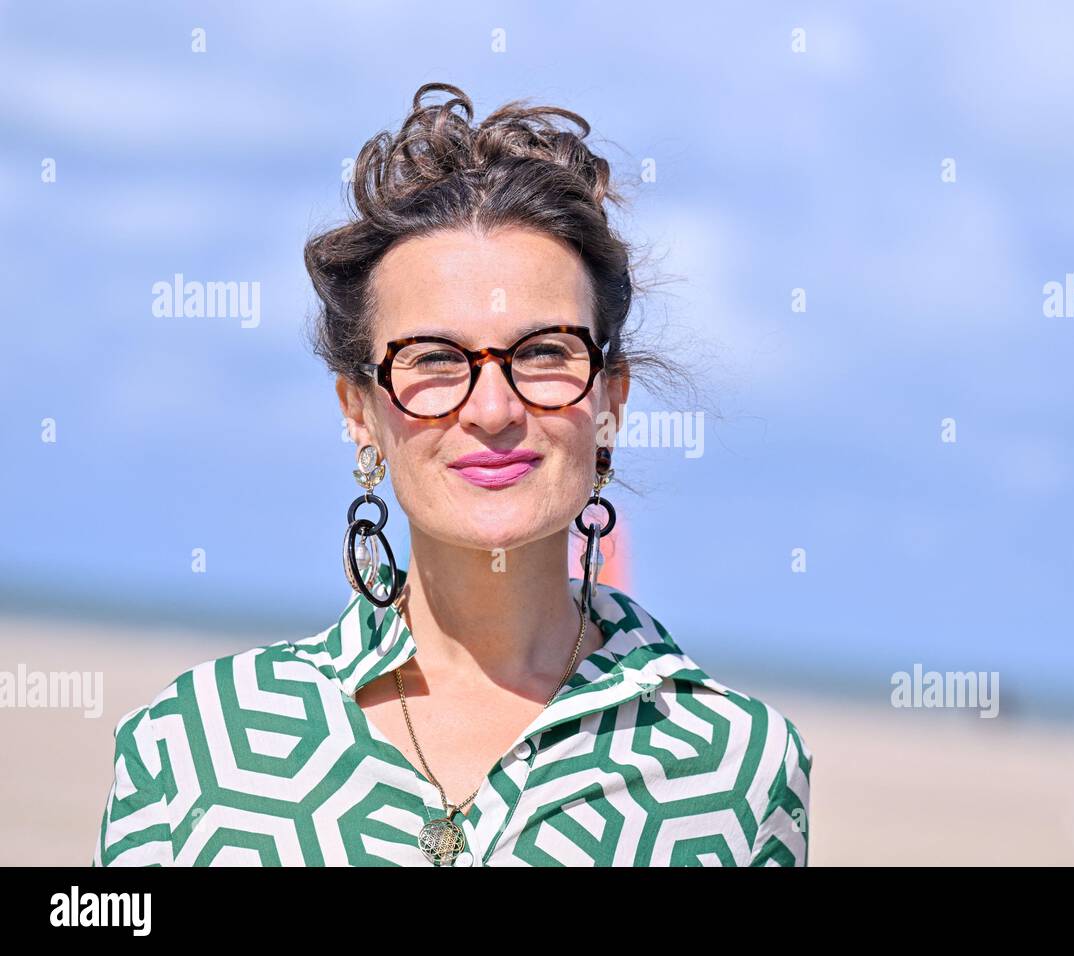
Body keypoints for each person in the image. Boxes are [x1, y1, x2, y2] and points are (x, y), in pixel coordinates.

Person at [93, 81, 812, 866]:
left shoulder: (736, 766)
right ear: (360, 412)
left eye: (544, 352)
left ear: (610, 400)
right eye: (434, 359)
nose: (493, 409)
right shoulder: (192, 742)